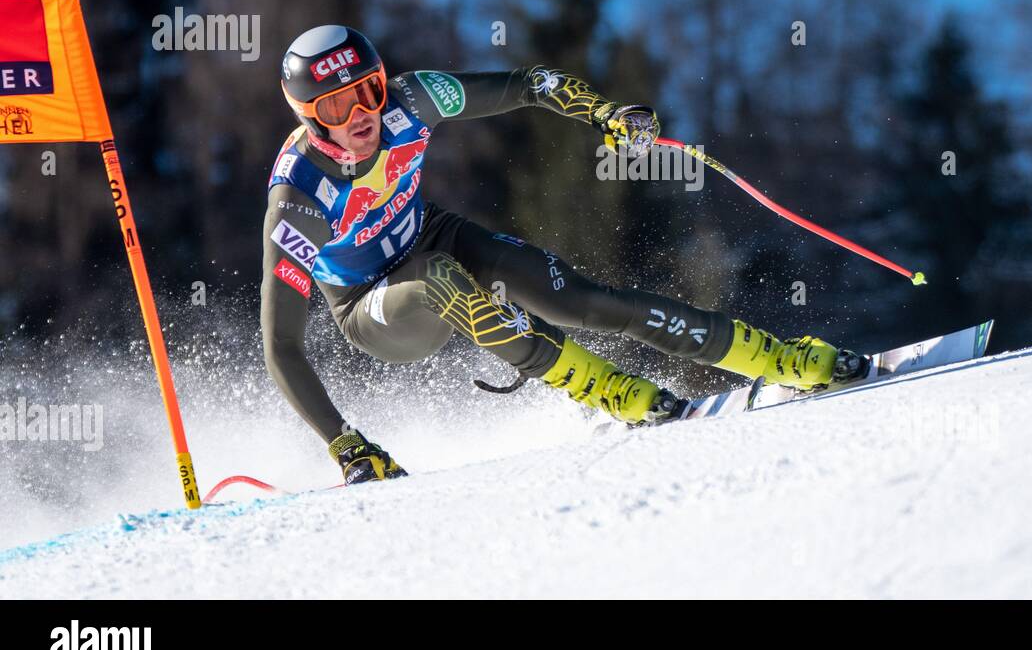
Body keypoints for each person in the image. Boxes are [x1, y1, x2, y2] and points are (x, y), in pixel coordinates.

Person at [262, 25, 860, 483]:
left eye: (367, 90)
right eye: (338, 108)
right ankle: (603, 388)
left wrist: (608, 115)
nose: (363, 114)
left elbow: (531, 85)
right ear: (310, 117)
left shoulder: (410, 99)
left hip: (432, 235)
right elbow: (281, 345)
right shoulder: (300, 197)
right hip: (375, 309)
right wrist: (347, 447)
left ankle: (776, 357)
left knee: (582, 300)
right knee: (442, 280)